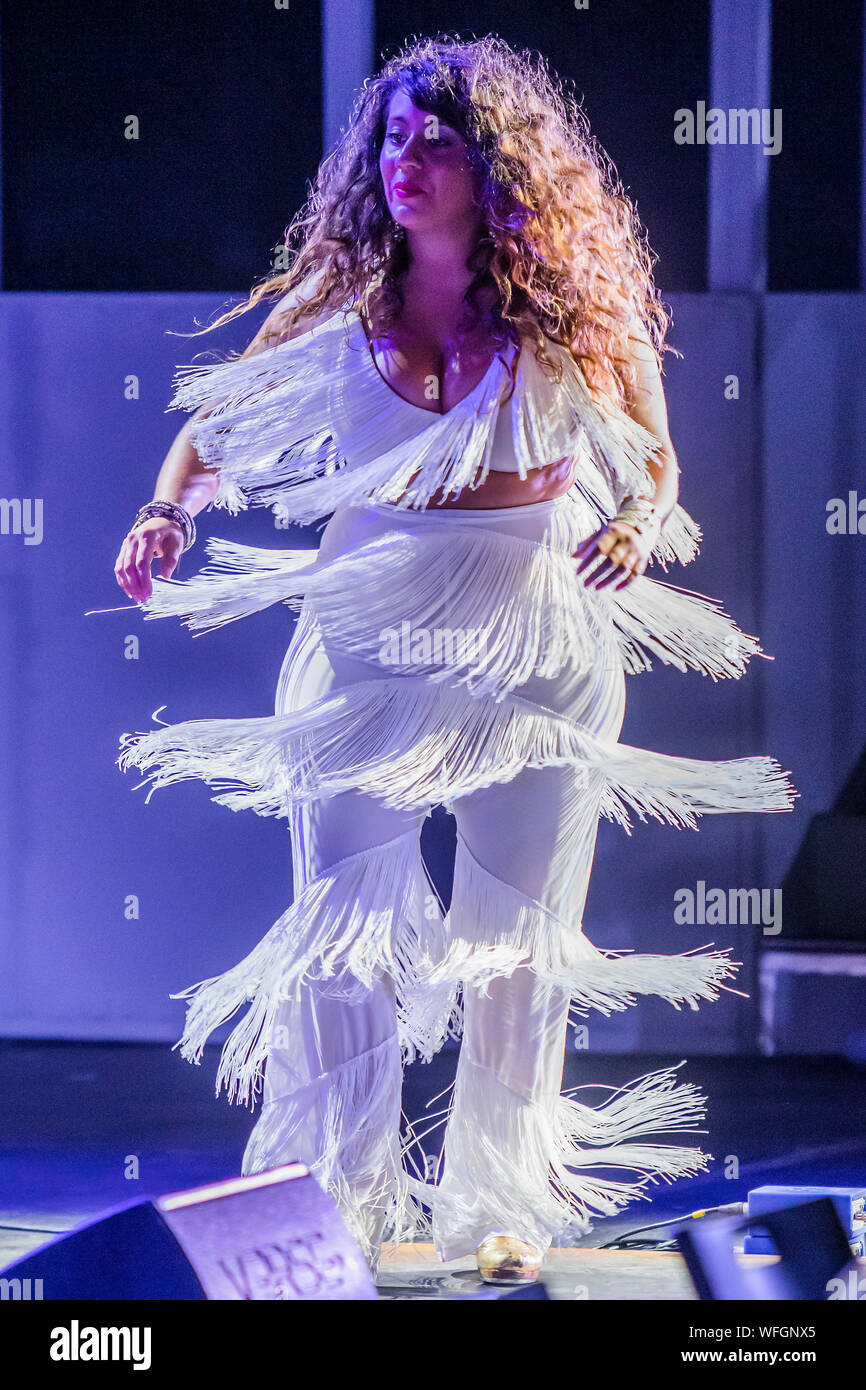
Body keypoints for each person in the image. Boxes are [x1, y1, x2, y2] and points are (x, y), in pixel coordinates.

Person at [110, 35, 796, 1285]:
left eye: (437, 143)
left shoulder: (579, 303)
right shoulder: (333, 300)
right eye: (391, 141)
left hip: (532, 633)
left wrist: (637, 523)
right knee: (341, 935)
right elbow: (211, 425)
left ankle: (493, 1208)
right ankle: (335, 1199)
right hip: (364, 632)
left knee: (517, 940)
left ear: (500, 168)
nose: (406, 164)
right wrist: (169, 512)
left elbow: (651, 452)